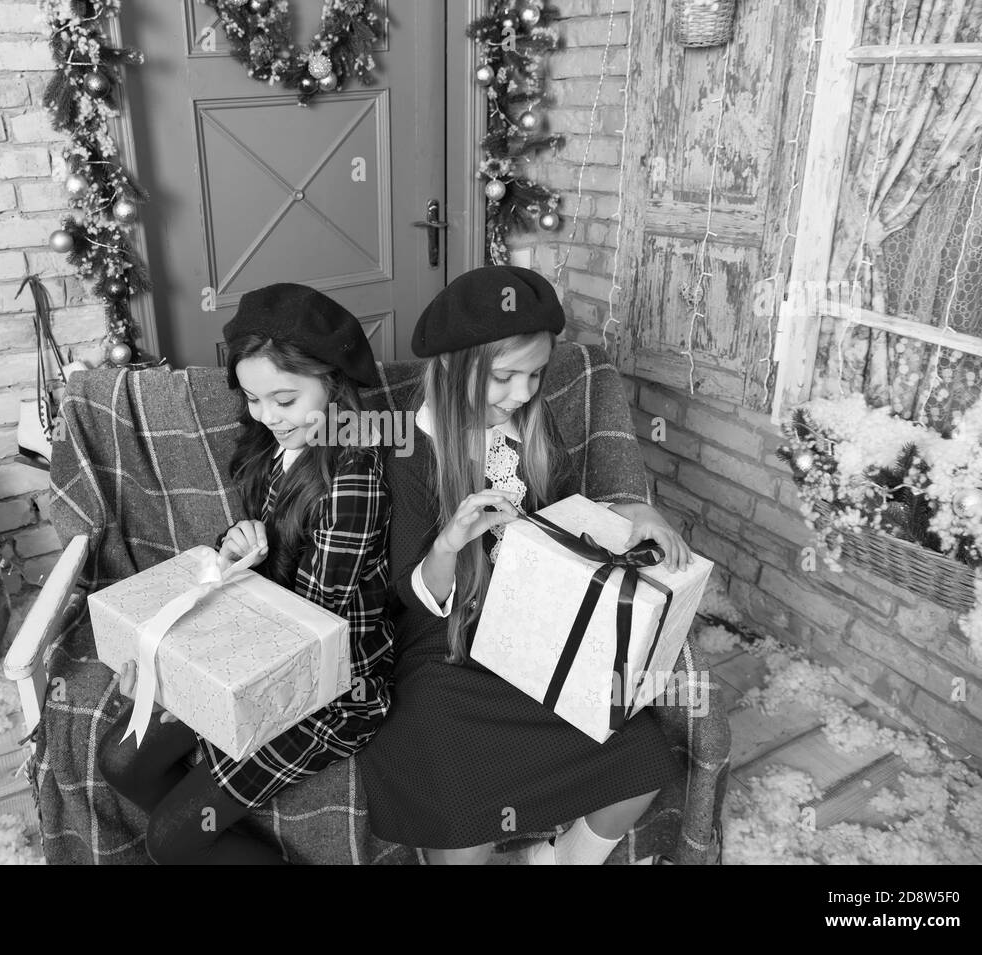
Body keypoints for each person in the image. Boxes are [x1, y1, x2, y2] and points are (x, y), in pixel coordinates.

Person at [357, 265, 691, 865]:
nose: (522, 393)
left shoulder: (531, 430)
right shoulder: (408, 450)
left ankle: (558, 859)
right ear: (454, 370)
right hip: (444, 650)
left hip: (533, 636)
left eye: (535, 375)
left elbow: (570, 519)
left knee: (640, 761)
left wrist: (634, 509)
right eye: (504, 377)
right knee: (459, 820)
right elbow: (413, 597)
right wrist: (449, 543)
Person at [97, 283, 395, 864]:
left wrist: (185, 671)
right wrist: (236, 544)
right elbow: (264, 550)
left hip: (326, 685)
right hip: (258, 643)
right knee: (119, 759)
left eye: (284, 400)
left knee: (168, 840)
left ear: (334, 385)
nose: (267, 417)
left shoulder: (352, 481)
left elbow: (302, 635)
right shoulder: (279, 446)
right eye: (254, 400)